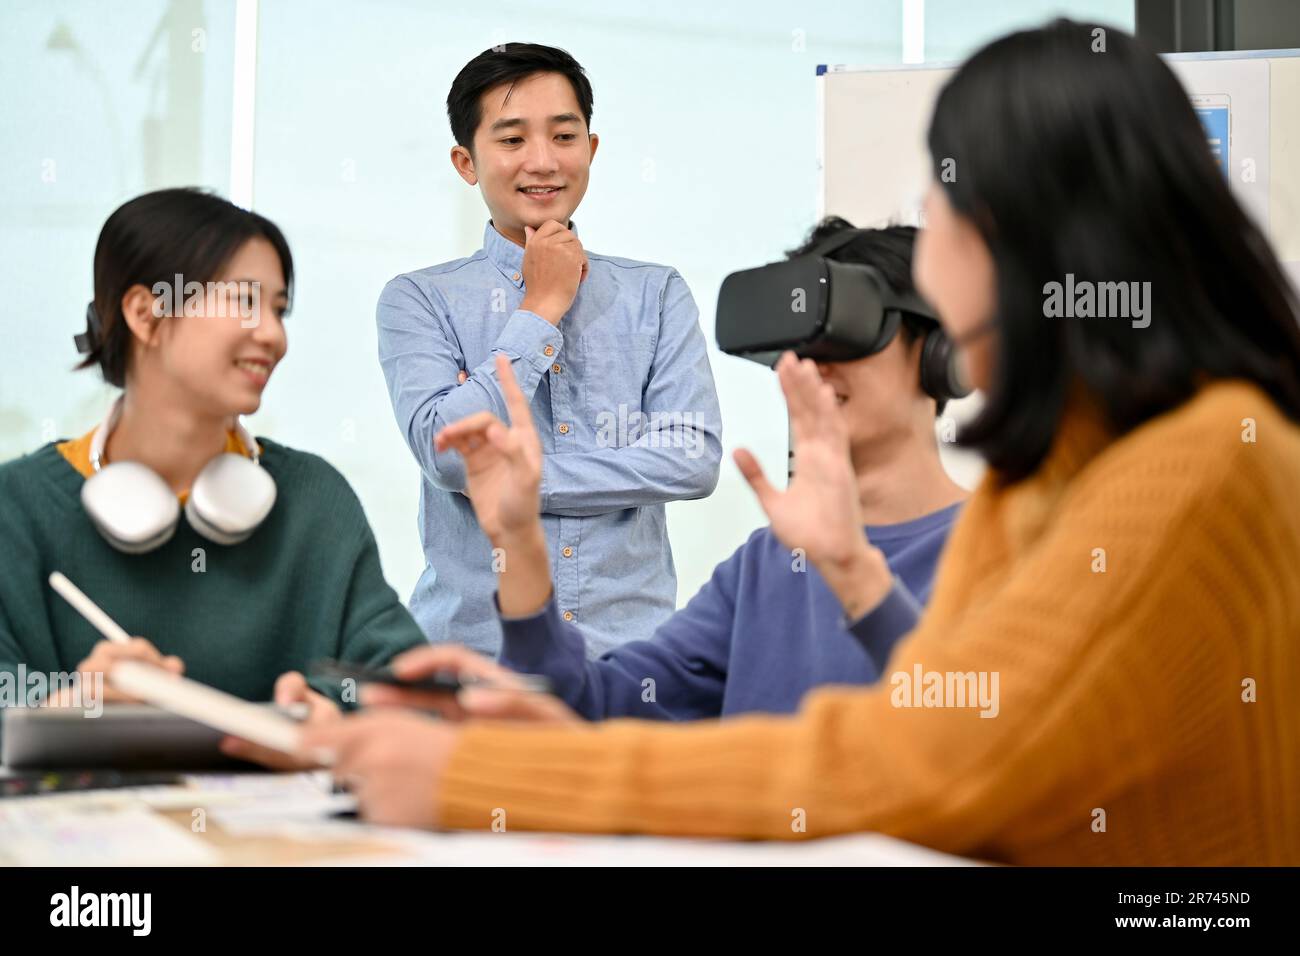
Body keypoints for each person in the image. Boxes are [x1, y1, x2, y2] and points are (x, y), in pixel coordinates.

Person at [303, 20, 1300, 865]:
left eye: (941, 204)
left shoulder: (1198, 468)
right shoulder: (1048, 490)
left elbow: (926, 760)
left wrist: (489, 778)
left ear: (1013, 234)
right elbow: (939, 725)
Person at [364, 223, 966, 722]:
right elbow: (592, 705)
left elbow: (983, 739)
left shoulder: (1009, 543)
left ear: (940, 352)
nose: (814, 368)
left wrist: (855, 573)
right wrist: (519, 547)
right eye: (802, 345)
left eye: (850, 333)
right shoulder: (765, 565)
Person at [0, 188, 427, 757]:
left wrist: (326, 715)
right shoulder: (19, 506)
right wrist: (70, 706)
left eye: (279, 310)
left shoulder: (313, 499)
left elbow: (405, 689)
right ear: (147, 314)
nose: (274, 335)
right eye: (247, 303)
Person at [377, 42, 721, 657]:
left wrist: (515, 480)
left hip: (626, 661)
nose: (542, 161)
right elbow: (446, 452)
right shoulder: (418, 299)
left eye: (564, 136)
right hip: (472, 661)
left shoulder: (657, 292)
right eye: (511, 141)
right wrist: (540, 310)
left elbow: (691, 457)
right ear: (466, 161)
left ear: (591, 149)